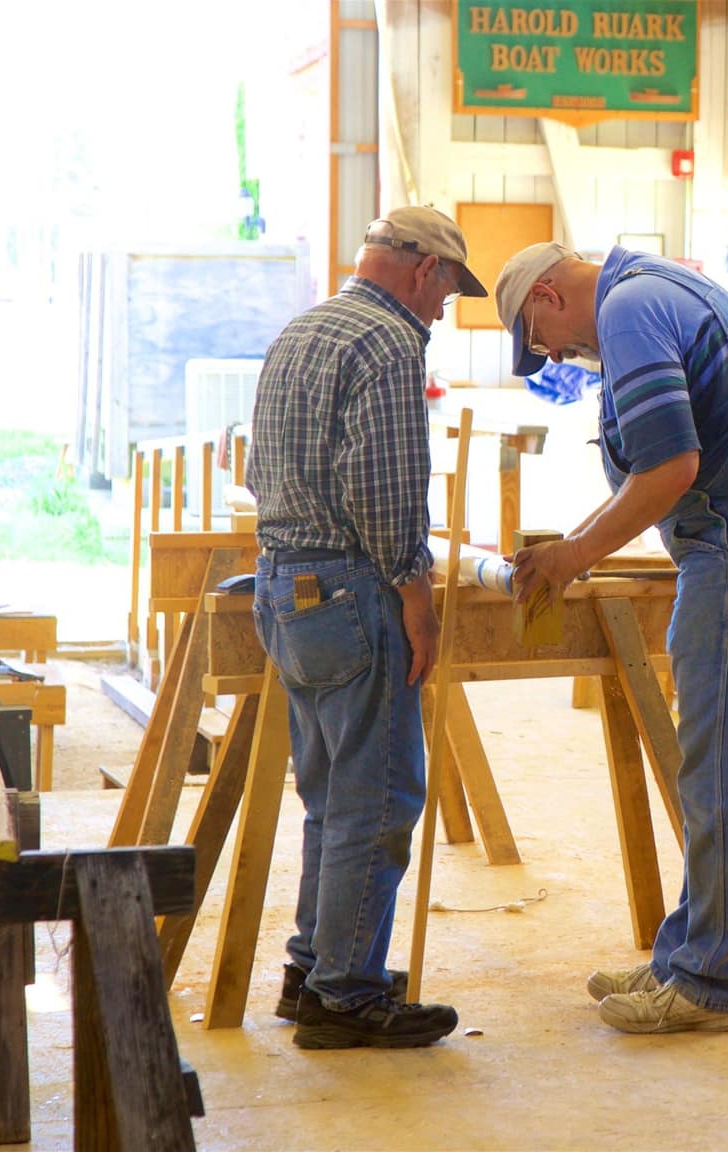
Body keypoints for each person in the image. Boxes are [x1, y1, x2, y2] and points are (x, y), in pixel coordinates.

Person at [497, 241, 728, 1035]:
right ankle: (690, 953)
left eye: (541, 337)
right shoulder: (660, 283)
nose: (555, 354)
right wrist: (575, 548)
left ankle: (711, 983)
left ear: (549, 293)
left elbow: (670, 468)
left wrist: (572, 557)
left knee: (726, 768)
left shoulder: (624, 311)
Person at [248, 206, 485, 1050]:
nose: (443, 311)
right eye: (447, 293)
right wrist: (418, 604)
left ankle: (315, 967)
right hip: (352, 589)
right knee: (379, 798)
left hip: (286, 580)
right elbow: (387, 501)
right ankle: (344, 995)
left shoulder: (305, 327)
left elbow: (257, 467)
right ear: (422, 270)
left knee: (330, 796)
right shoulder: (386, 343)